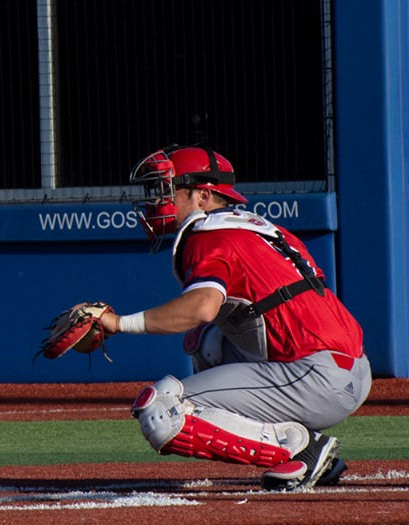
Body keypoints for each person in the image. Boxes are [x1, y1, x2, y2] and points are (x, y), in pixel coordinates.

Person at [95, 146, 371, 491]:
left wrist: (118, 323)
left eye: (167, 189)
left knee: (162, 409)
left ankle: (299, 447)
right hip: (350, 368)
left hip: (316, 376)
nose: (156, 200)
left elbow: (200, 307)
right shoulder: (265, 230)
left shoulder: (208, 235)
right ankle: (298, 438)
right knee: (205, 341)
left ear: (202, 195)